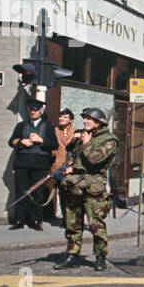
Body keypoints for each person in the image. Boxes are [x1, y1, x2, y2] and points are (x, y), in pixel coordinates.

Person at [55, 108, 118, 271]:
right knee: (72, 222)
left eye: (89, 119)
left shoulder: (109, 139)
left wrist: (86, 142)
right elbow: (72, 152)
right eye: (84, 119)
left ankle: (100, 257)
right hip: (76, 183)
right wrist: (70, 166)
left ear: (99, 122)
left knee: (95, 224)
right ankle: (72, 255)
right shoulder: (83, 135)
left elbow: (95, 158)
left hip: (94, 186)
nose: (85, 122)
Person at [7, 99, 58, 231]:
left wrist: (41, 140)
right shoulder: (21, 126)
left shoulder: (48, 127)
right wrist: (21, 141)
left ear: (41, 111)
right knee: (21, 192)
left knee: (38, 193)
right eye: (31, 110)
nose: (33, 112)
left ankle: (36, 220)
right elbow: (11, 141)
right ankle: (19, 220)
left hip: (40, 164)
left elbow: (54, 145)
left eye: (35, 110)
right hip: (22, 163)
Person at [51, 109, 76, 223]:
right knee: (61, 194)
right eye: (60, 117)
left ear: (71, 120)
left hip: (71, 167)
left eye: (65, 117)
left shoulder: (77, 131)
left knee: (71, 194)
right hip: (58, 166)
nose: (62, 119)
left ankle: (72, 220)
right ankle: (65, 219)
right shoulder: (55, 130)